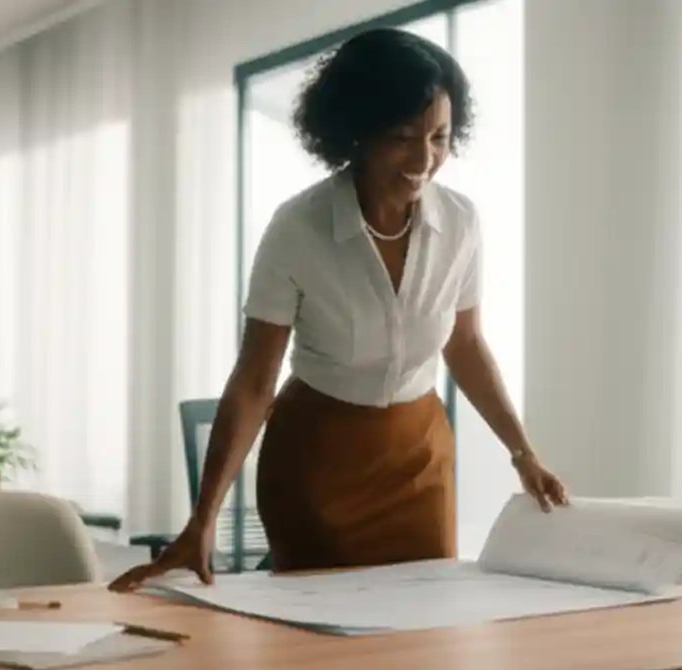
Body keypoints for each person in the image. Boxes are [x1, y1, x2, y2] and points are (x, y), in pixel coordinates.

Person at [109, 27, 566, 592]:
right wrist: (204, 518)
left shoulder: (462, 224)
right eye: (403, 136)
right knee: (320, 648)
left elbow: (466, 345)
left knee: (423, 635)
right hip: (316, 465)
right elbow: (255, 380)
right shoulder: (298, 229)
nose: (424, 158)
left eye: (440, 137)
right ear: (356, 132)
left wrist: (523, 453)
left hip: (419, 462)